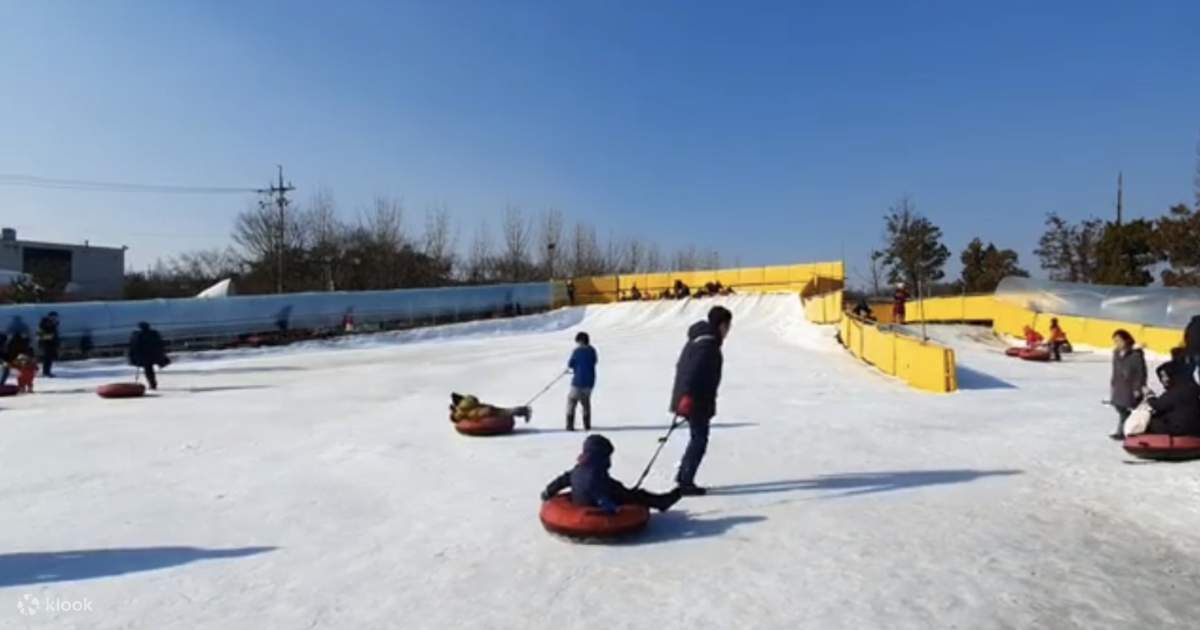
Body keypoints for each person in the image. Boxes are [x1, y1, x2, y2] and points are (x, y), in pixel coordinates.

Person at [669, 305, 732, 495]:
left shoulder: (699, 341)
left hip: (693, 399)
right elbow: (692, 371)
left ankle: (683, 476)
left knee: (697, 439)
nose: (728, 331)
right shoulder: (707, 345)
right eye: (728, 326)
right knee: (699, 440)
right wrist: (687, 396)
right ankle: (686, 481)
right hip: (696, 401)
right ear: (722, 325)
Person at [541, 434, 681, 512]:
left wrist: (549, 490)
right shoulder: (594, 475)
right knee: (637, 495)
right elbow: (598, 493)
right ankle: (661, 502)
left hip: (582, 499)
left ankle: (643, 496)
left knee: (619, 488)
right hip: (593, 504)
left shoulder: (579, 468)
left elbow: (562, 480)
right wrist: (609, 507)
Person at [1109, 329, 1147, 441]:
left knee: (1130, 409)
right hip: (1119, 385)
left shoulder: (1135, 355)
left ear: (1126, 340)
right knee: (1120, 407)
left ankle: (1125, 431)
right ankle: (1124, 430)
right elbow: (1115, 370)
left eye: (1119, 340)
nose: (1117, 343)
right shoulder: (1116, 353)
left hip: (1130, 386)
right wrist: (1113, 383)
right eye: (1115, 341)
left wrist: (1138, 387)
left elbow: (1141, 372)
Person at [1146, 360, 1200, 436]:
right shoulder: (1190, 387)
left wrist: (1150, 396)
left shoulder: (1176, 391)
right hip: (1195, 429)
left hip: (1179, 430)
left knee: (1151, 422)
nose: (1163, 379)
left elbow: (1158, 405)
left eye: (1165, 376)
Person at [566, 332, 598, 431]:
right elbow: (594, 361)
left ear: (580, 341)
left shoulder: (577, 351)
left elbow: (570, 364)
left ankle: (570, 425)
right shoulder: (592, 350)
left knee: (571, 401)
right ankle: (587, 425)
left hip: (578, 381)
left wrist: (576, 367)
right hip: (590, 381)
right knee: (586, 402)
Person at [128, 322, 170, 390]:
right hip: (154, 354)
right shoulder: (154, 333)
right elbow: (160, 344)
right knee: (150, 369)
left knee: (148, 370)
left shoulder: (137, 335)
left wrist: (133, 356)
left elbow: (133, 346)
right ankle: (153, 383)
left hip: (144, 356)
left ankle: (152, 384)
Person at [449, 393, 532, 423]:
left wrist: (454, 412)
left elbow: (458, 417)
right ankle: (522, 410)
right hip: (486, 409)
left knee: (505, 412)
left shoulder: (461, 409)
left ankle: (523, 410)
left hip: (484, 413)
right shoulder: (467, 402)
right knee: (506, 411)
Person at [37, 311, 60, 377]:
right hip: (46, 344)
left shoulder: (53, 324)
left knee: (49, 359)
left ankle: (47, 372)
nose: (55, 318)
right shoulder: (44, 324)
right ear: (50, 317)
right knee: (47, 359)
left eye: (56, 317)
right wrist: (50, 337)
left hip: (52, 344)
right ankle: (46, 372)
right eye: (54, 317)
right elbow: (39, 335)